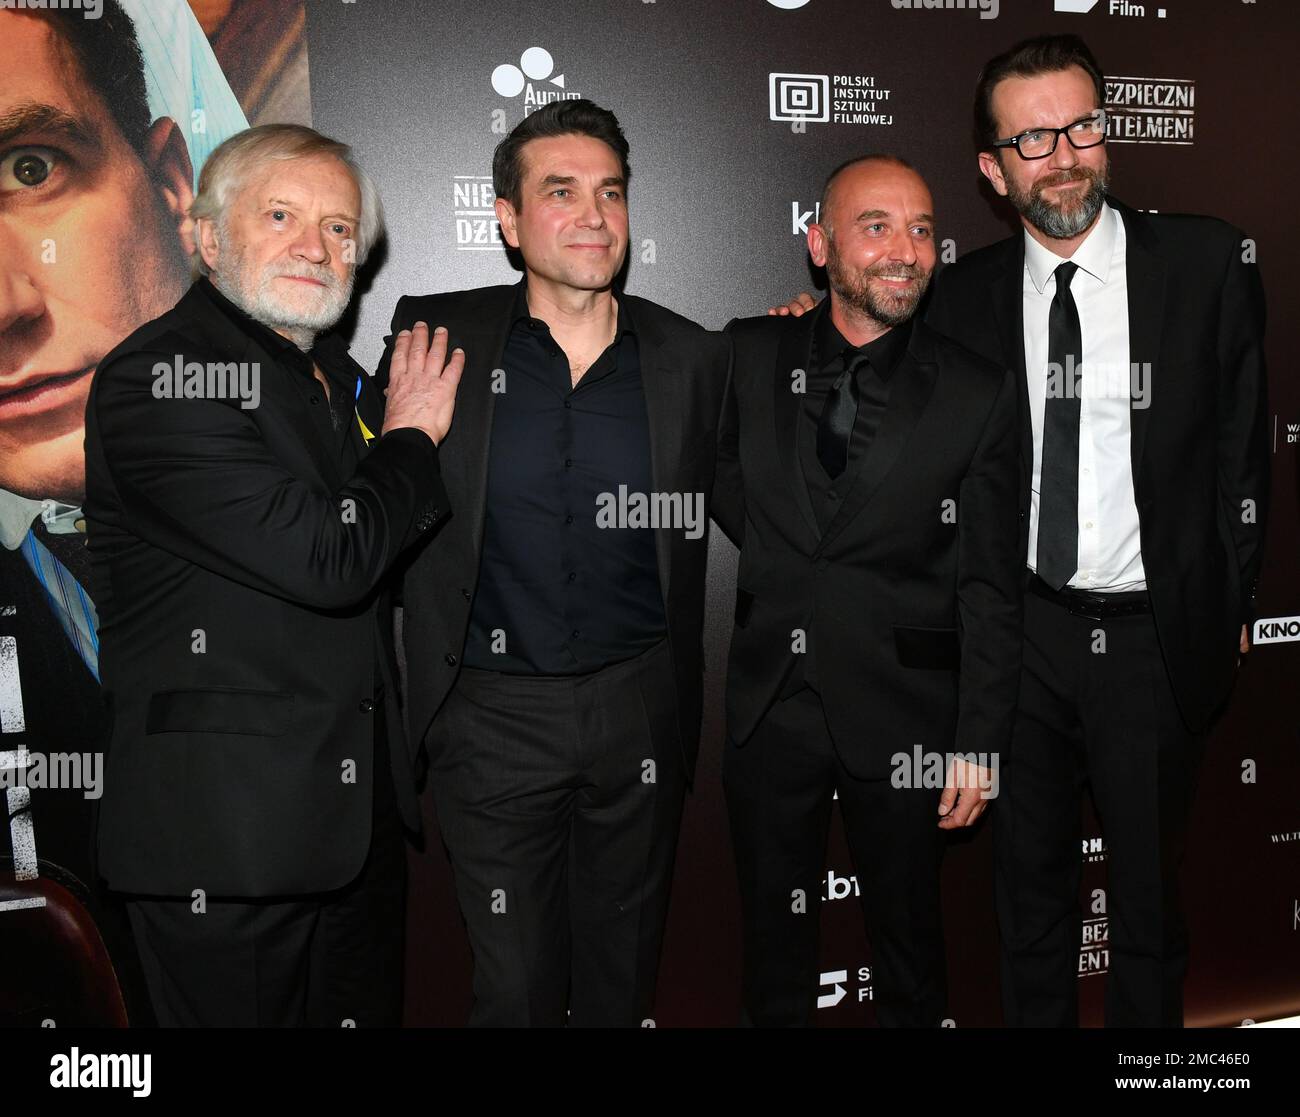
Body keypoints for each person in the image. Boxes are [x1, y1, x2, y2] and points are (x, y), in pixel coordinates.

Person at [84, 124, 462, 1027]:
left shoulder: (341, 378)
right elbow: (330, 559)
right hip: (226, 845)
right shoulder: (160, 378)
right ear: (209, 239)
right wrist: (410, 436)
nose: (315, 245)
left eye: (339, 229)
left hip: (356, 829)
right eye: (282, 214)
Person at [927, 34, 1269, 1028]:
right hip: (1019, 642)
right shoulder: (961, 301)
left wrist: (1230, 598)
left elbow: (1243, 451)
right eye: (1033, 139)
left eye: (1081, 125)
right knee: (1026, 903)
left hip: (1152, 643)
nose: (1065, 154)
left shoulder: (1205, 261)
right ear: (993, 170)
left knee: (1150, 908)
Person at [379, 99, 730, 1027]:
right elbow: (366, 501)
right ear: (507, 219)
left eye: (610, 192)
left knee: (623, 979)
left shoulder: (692, 357)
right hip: (491, 721)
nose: (593, 215)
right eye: (561, 191)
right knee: (517, 988)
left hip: (638, 711)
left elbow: (764, 483)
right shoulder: (432, 339)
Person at [713, 155, 1021, 1026]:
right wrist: (787, 552)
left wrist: (978, 740)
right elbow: (724, 474)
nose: (906, 250)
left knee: (910, 946)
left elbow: (992, 582)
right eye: (876, 226)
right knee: (774, 950)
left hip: (909, 710)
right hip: (771, 702)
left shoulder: (976, 389)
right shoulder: (748, 352)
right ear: (820, 245)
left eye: (922, 229)